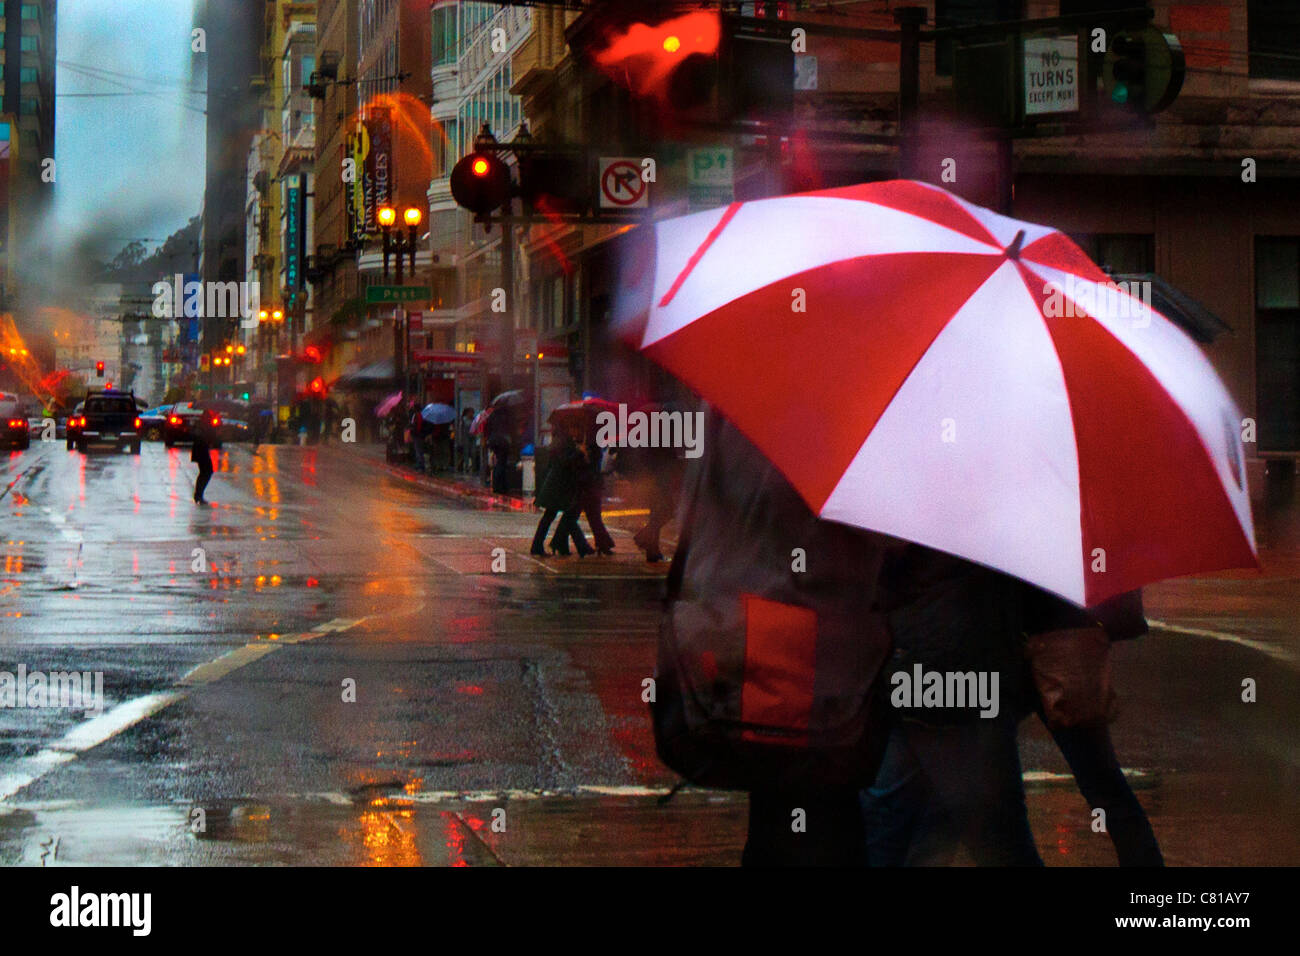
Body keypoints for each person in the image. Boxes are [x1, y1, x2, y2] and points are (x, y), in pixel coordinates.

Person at [530, 425, 593, 557]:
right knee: (562, 515)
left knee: (560, 516)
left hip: (558, 485)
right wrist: (579, 452)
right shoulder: (563, 441)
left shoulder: (561, 440)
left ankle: (560, 545)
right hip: (558, 486)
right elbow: (564, 461)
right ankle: (544, 545)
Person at [575, 427, 616, 555]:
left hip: (589, 484)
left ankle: (602, 543)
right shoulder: (589, 444)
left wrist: (583, 454)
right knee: (592, 515)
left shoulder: (591, 445)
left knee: (591, 515)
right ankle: (603, 543)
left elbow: (589, 465)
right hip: (589, 485)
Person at [191, 411, 219, 505]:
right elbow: (210, 438)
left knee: (204, 472)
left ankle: (198, 495)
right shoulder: (204, 426)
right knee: (207, 472)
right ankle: (198, 495)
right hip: (201, 451)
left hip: (200, 451)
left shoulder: (201, 425)